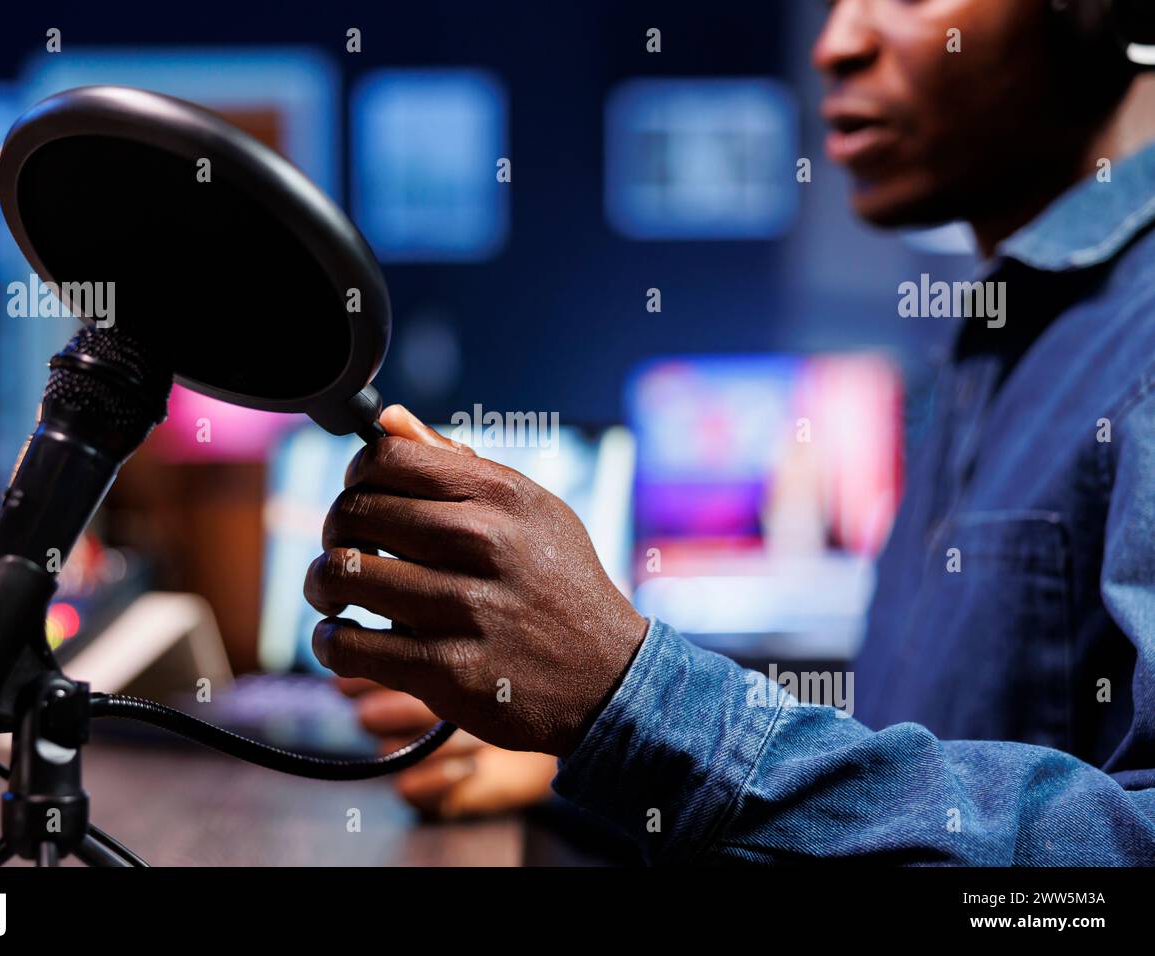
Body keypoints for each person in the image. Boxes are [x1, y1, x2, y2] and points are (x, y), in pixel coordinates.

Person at [306, 0, 1155, 862]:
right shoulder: (998, 337)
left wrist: (627, 697)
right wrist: (594, 755)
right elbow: (930, 756)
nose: (838, 43)